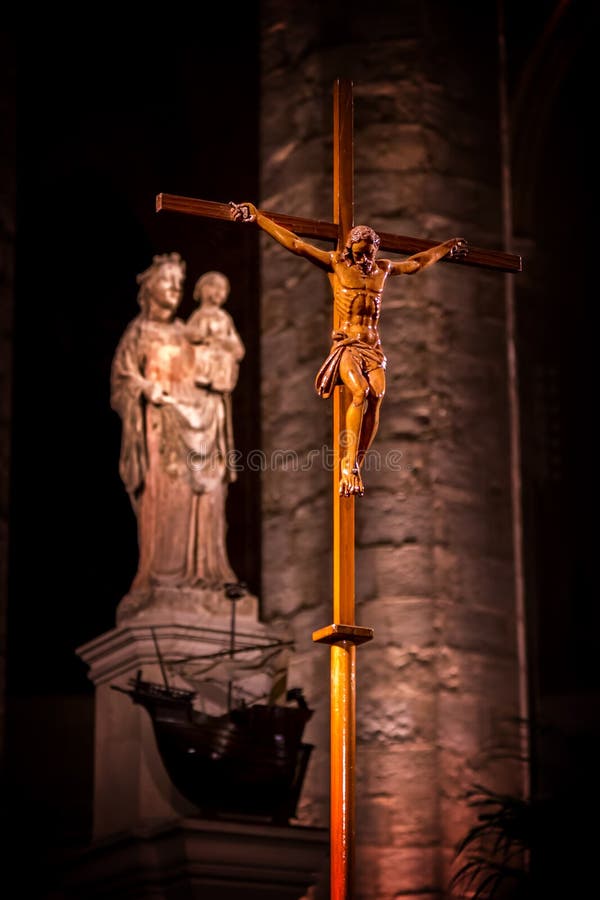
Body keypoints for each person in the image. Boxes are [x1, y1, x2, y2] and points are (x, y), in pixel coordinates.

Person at [230, 201, 468, 496]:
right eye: (360, 253)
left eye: (370, 253)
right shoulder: (336, 265)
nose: (366, 259)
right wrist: (258, 218)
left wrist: (445, 248)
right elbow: (296, 244)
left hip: (373, 347)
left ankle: (357, 462)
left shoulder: (383, 269)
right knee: (360, 392)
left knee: (378, 394)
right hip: (348, 347)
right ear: (350, 250)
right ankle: (347, 465)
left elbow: (417, 262)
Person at [110, 254, 245, 622]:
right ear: (149, 287)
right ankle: (160, 576)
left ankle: (206, 575)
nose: (174, 289)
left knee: (206, 498)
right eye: (166, 281)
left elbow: (209, 371)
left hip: (198, 430)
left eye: (178, 283)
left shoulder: (189, 332)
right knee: (166, 502)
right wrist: (147, 390)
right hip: (161, 433)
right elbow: (122, 382)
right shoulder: (138, 333)